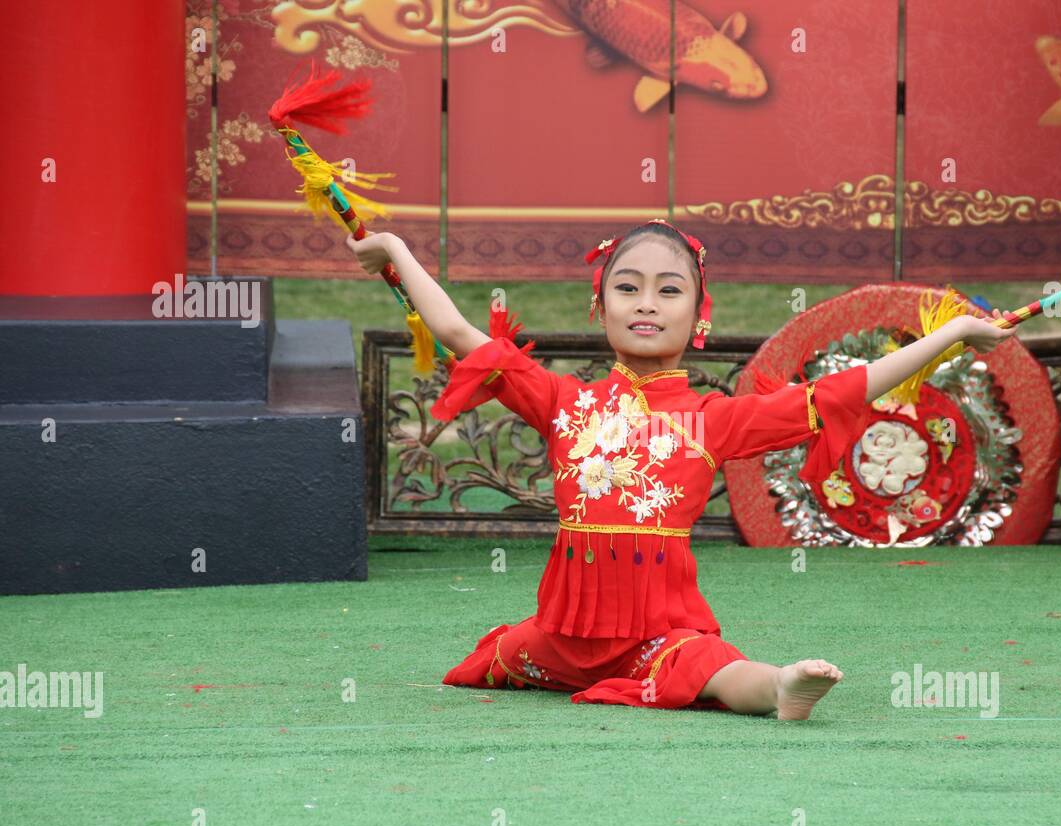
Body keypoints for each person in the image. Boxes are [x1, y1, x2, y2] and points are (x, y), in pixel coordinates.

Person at [348, 219, 1016, 718]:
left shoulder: (713, 419)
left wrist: (950, 334)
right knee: (477, 666)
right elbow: (463, 335)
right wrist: (398, 253)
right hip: (558, 636)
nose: (646, 303)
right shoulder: (563, 402)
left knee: (716, 671)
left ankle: (784, 686)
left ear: (699, 317)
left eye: (669, 291)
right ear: (598, 307)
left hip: (659, 634)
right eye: (628, 288)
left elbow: (834, 395)